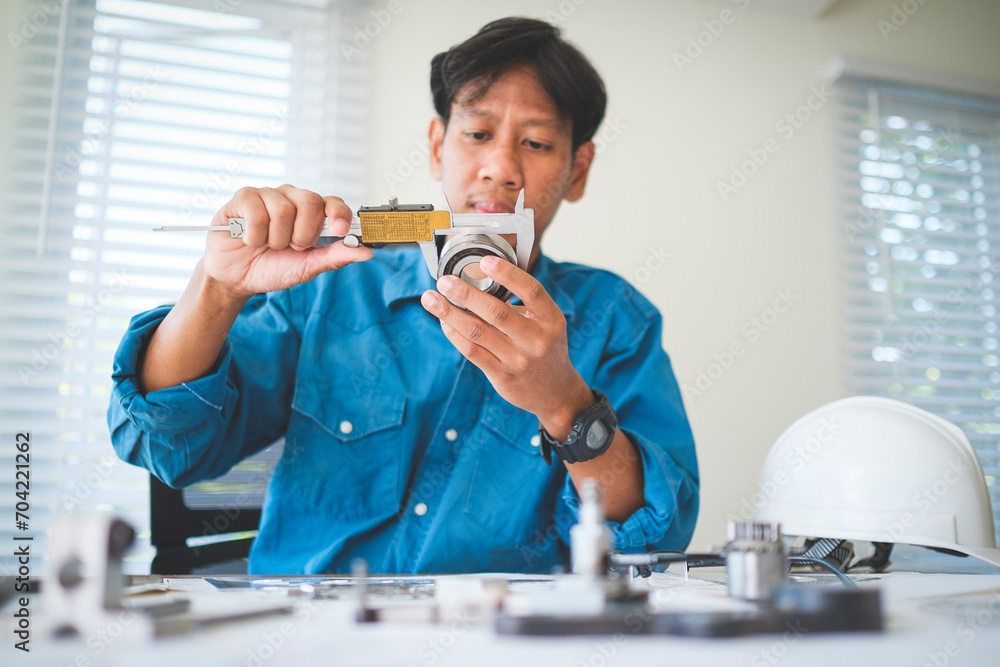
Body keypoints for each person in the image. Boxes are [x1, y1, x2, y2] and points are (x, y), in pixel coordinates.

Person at [108, 17, 699, 574]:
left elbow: (655, 539)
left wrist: (565, 406)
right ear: (438, 144)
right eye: (478, 133)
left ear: (578, 170)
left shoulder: (616, 320)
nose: (500, 167)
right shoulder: (330, 289)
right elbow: (167, 447)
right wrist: (218, 286)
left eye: (538, 144)